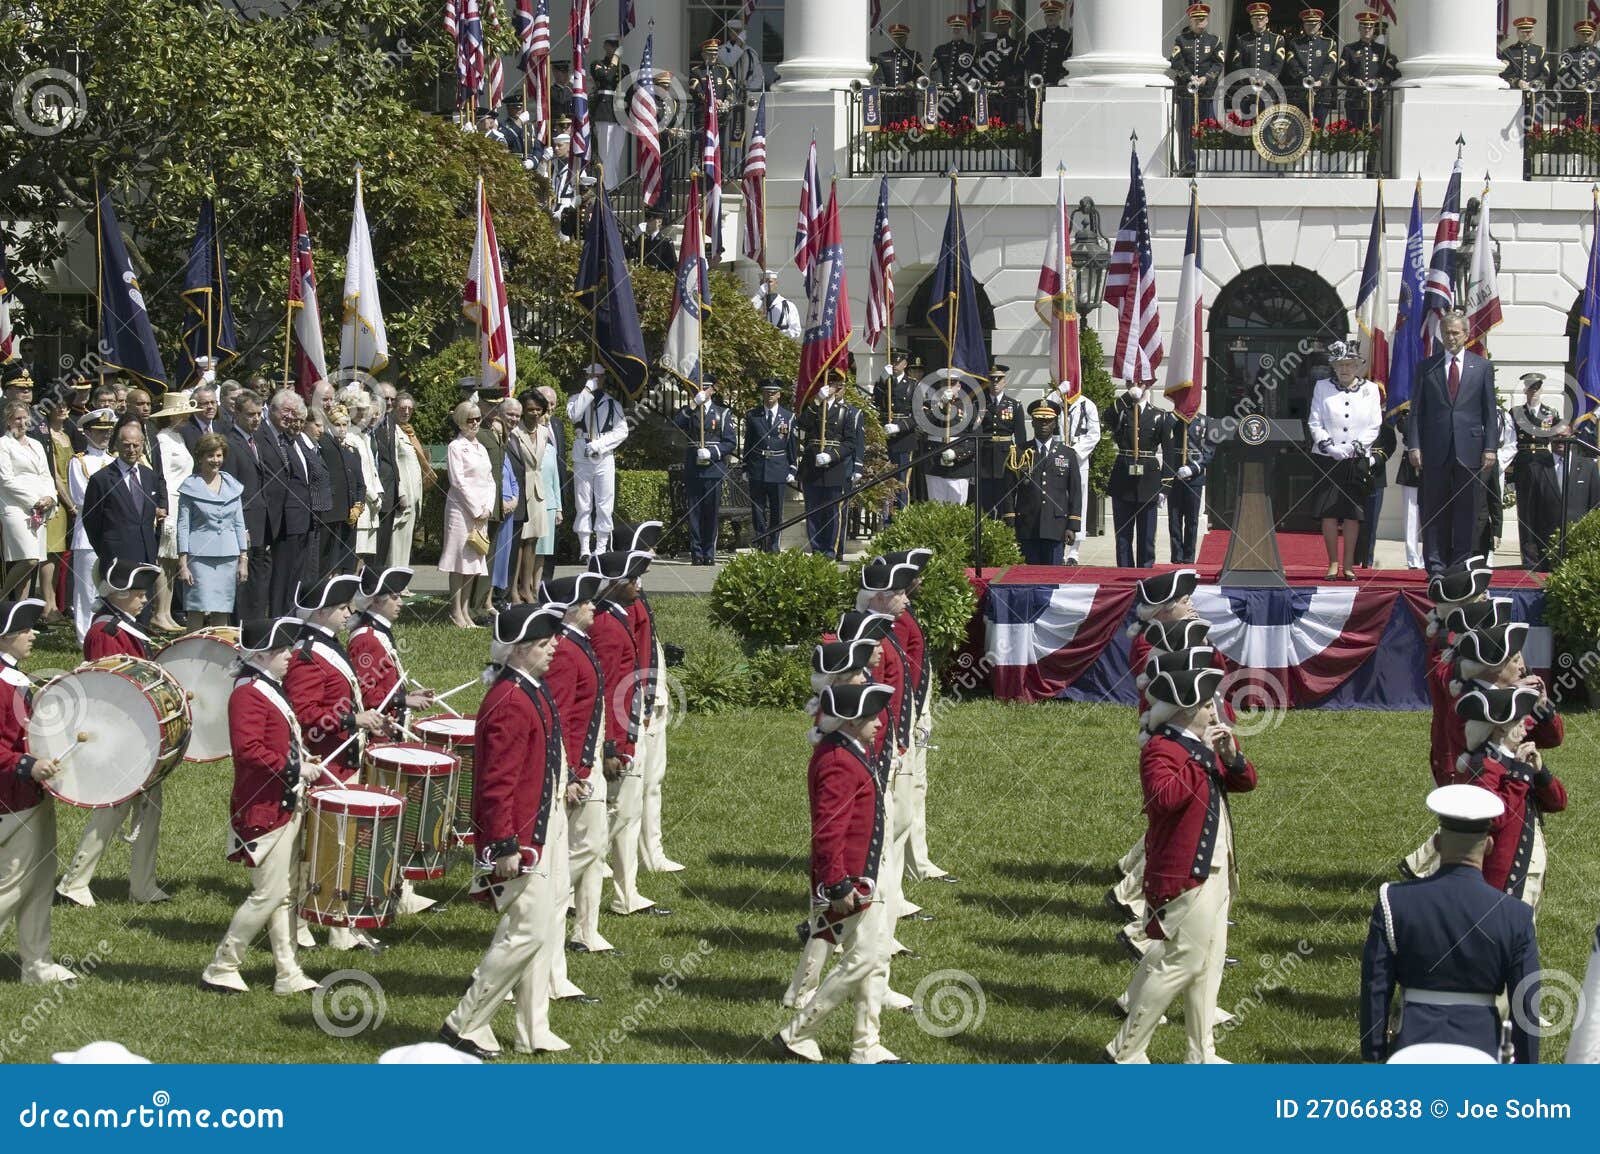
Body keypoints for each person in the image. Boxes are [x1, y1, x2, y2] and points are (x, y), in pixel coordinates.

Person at [437, 603, 567, 1061]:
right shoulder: (510, 701)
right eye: (545, 642)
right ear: (522, 649)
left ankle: (532, 1029)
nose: (555, 647)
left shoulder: (526, 688)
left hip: (537, 830)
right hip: (516, 840)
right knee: (526, 933)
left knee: (535, 929)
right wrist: (505, 843)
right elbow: (497, 782)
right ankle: (463, 1024)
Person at [1106, 665, 1255, 1064]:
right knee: (1182, 962)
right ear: (1183, 711)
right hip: (1186, 872)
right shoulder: (1161, 748)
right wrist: (1203, 754)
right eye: (1207, 705)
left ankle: (1200, 1054)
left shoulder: (1200, 745)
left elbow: (1246, 782)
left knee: (1208, 964)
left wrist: (1230, 756)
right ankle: (1126, 1051)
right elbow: (1165, 799)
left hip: (1219, 867)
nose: (1215, 712)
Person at [1360, 784, 1541, 1064]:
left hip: (1410, 1050)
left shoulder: (1393, 901)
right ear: (1489, 846)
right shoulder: (1515, 916)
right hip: (1482, 1052)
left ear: (1438, 843)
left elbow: (1376, 989)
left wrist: (1373, 1059)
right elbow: (1526, 1007)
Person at [772, 682, 899, 1064]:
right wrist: (838, 882)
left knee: (875, 959)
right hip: (851, 880)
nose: (879, 724)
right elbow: (828, 828)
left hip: (865, 875)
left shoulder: (850, 749)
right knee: (864, 959)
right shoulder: (838, 761)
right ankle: (799, 1032)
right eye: (870, 717)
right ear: (849, 722)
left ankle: (866, 1045)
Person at [200, 616, 323, 996]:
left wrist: (300, 755)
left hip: (282, 799)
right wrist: (295, 766)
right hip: (264, 806)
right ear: (264, 654)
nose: (290, 656)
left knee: (284, 891)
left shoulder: (267, 686)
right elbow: (249, 751)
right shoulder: (248, 693)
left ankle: (288, 972)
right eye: (282, 650)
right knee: (268, 893)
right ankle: (223, 964)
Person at [56, 559, 169, 908]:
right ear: (115, 594)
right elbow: (109, 688)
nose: (143, 597)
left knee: (149, 807)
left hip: (138, 731)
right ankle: (74, 881)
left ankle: (143, 884)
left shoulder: (124, 625)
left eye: (143, 590)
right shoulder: (106, 632)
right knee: (114, 807)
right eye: (135, 591)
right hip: (120, 734)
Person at [0, 598, 77, 987]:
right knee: (12, 886)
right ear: (6, 636)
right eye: (25, 630)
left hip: (32, 795)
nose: (33, 635)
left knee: (41, 880)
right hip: (10, 798)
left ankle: (37, 964)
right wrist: (28, 765)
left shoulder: (14, 675)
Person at [588, 548, 668, 918]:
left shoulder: (615, 617)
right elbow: (604, 690)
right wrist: (611, 744)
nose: (638, 583)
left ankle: (626, 892)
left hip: (627, 726)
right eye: (630, 578)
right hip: (617, 733)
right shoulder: (605, 625)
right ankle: (590, 892)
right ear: (612, 584)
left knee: (627, 815)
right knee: (612, 818)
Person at [543, 571, 612, 958]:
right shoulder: (565, 651)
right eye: (585, 602)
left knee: (594, 848)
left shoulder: (576, 643)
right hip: (580, 766)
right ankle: (544, 903)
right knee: (590, 844)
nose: (592, 607)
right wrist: (572, 772)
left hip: (592, 760)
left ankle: (586, 929)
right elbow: (561, 716)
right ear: (568, 611)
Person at [1451, 685, 1567, 910]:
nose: (1525, 730)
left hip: (1525, 874)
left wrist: (1540, 773)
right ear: (1499, 728)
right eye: (1520, 723)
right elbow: (1492, 818)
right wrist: (1521, 774)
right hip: (1498, 881)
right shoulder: (1483, 765)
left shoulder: (1517, 759)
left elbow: (1559, 802)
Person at [1408, 314, 1497, 573]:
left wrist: (1489, 447)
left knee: (1467, 512)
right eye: (1447, 333)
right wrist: (1415, 445)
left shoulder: (1481, 367)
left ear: (1466, 334)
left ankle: (1460, 565)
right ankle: (1435, 566)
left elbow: (1489, 412)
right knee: (1434, 511)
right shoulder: (1427, 367)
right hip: (1435, 451)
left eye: (1456, 333)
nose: (1451, 337)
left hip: (1470, 450)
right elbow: (1417, 412)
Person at [1308, 340, 1383, 580]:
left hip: (1355, 459)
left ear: (1358, 365)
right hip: (1328, 458)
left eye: (1349, 364)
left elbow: (1375, 424)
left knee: (1352, 513)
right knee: (1329, 512)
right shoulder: (1322, 387)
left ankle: (1349, 564)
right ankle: (1332, 562)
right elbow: (1314, 422)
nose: (1345, 369)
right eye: (1340, 364)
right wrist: (1330, 447)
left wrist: (1354, 447)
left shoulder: (1370, 389)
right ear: (1333, 366)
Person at [176, 432, 247, 627]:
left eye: (219, 455)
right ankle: (190, 653)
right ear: (200, 457)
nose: (215, 460)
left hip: (228, 557)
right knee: (196, 609)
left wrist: (243, 560)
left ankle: (218, 655)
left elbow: (239, 524)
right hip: (198, 558)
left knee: (222, 611)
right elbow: (183, 525)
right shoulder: (190, 487)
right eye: (210, 455)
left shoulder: (233, 486)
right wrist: (183, 563)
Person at [256, 390, 313, 617]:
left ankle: (290, 616)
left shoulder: (288, 439)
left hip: (298, 518)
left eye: (294, 412)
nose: (290, 417)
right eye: (285, 411)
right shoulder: (261, 436)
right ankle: (279, 618)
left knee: (293, 575)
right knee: (280, 576)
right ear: (271, 409)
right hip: (278, 518)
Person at [566, 365, 629, 561]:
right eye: (590, 375)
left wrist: (600, 444)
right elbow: (574, 415)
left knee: (604, 503)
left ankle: (601, 547)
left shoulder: (613, 404)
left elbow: (621, 431)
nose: (594, 379)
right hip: (582, 455)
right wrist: (587, 390)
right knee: (583, 503)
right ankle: (584, 548)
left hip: (603, 456)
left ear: (603, 378)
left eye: (597, 376)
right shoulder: (576, 399)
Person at [442, 401, 494, 630]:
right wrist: (475, 509)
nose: (474, 423)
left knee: (473, 561)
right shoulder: (455, 446)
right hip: (461, 510)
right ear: (461, 422)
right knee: (458, 561)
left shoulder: (481, 447)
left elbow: (491, 480)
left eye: (477, 419)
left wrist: (487, 509)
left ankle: (465, 611)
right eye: (469, 419)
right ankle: (456, 611)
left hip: (482, 512)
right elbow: (458, 481)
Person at [674, 377, 737, 565]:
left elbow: (730, 442)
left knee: (710, 511)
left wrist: (712, 452)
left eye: (706, 388)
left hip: (713, 469)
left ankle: (709, 552)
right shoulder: (691, 410)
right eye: (699, 388)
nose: (702, 391)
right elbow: (677, 422)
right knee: (694, 511)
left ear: (712, 390)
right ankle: (696, 552)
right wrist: (694, 403)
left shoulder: (722, 413)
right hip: (694, 467)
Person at [1011, 399, 1082, 566]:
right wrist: (1010, 522)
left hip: (1055, 526)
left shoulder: (1067, 454)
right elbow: (1009, 490)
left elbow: (1075, 492)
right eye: (1039, 420)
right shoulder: (1020, 452)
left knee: (1053, 578)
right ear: (1033, 423)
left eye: (1048, 421)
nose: (1043, 425)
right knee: (1028, 578)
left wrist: (1072, 525)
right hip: (1027, 525)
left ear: (1055, 423)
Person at [66, 408, 116, 640]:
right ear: (86, 433)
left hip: (113, 532)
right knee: (86, 589)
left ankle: (106, 634)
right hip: (87, 533)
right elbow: (83, 498)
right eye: (99, 431)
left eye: (108, 431)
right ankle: (84, 636)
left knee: (111, 587)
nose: (105, 436)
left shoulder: (115, 460)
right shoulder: (79, 462)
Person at [1510, 372, 1567, 570]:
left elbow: (1559, 439)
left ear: (1541, 389)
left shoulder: (1550, 413)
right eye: (1530, 388)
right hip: (1524, 464)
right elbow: (1509, 442)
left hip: (1544, 464)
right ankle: (1529, 559)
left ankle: (1545, 555)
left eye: (1536, 388)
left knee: (1546, 510)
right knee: (1525, 512)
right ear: (1525, 390)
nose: (1533, 391)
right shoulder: (1515, 412)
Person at [0, 400, 56, 602]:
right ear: (8, 421)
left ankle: (19, 618)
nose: (22, 422)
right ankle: (2, 598)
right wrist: (34, 501)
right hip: (15, 508)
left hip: (40, 510)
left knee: (31, 565)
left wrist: (50, 498)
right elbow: (5, 480)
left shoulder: (37, 444)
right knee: (29, 559)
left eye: (25, 418)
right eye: (17, 418)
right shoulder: (3, 445)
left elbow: (46, 475)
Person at [1106, 382, 1165, 569]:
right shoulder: (1122, 412)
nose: (1136, 385)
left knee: (1147, 533)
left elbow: (1169, 454)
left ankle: (1145, 570)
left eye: (1140, 382)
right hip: (1123, 476)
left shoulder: (1159, 415)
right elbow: (1106, 416)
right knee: (1123, 534)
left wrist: (1167, 487)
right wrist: (1126, 397)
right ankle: (1124, 570)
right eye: (1132, 382)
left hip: (1148, 478)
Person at [224, 390, 270, 621]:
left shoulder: (256, 441)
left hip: (261, 522)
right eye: (251, 414)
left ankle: (257, 624)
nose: (257, 418)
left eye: (260, 414)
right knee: (242, 581)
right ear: (237, 413)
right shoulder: (231, 444)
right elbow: (230, 490)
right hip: (243, 523)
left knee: (258, 579)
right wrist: (239, 527)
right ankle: (240, 627)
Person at [795, 382, 857, 555]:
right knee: (812, 510)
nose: (831, 389)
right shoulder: (814, 407)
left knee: (832, 512)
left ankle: (830, 550)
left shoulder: (845, 411)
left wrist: (832, 455)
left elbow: (850, 442)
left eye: (835, 385)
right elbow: (802, 424)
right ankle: (816, 549)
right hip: (812, 465)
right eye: (829, 385)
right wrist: (816, 401)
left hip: (833, 467)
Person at [744, 379, 795, 553]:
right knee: (757, 508)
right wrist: (745, 466)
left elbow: (791, 444)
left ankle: (773, 544)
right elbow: (748, 443)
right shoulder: (753, 415)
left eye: (773, 392)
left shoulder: (788, 417)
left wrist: (792, 467)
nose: (770, 395)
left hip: (778, 467)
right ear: (762, 394)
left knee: (776, 509)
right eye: (767, 392)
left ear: (779, 394)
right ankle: (761, 541)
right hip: (758, 467)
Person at [1169, 4, 1222, 171]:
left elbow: (1218, 63)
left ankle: (1208, 164)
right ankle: (1189, 163)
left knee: (1208, 126)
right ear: (1190, 20)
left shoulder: (1214, 40)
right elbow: (1175, 62)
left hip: (1206, 93)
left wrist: (1206, 78)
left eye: (1203, 19)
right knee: (1188, 129)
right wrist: (1188, 76)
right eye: (1197, 19)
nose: (1200, 22)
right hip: (1187, 93)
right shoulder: (1181, 39)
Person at [39, 389, 74, 625]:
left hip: (69, 498)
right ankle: (47, 605)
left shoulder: (66, 436)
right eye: (57, 404)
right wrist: (70, 504)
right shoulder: (47, 436)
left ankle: (55, 605)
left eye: (65, 404)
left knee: (60, 553)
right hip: (57, 500)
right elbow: (55, 475)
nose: (62, 408)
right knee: (49, 554)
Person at [340, 389, 383, 569]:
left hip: (373, 504)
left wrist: (379, 492)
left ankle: (359, 592)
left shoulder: (363, 435)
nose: (365, 413)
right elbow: (358, 473)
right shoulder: (349, 437)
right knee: (356, 551)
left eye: (365, 409)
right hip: (362, 502)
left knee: (365, 553)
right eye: (360, 409)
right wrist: (372, 496)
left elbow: (372, 468)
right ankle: (350, 593)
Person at [389, 391, 432, 572]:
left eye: (410, 409)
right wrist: (401, 492)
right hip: (403, 495)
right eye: (402, 408)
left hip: (414, 497)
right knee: (396, 543)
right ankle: (392, 584)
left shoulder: (409, 431)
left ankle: (401, 583)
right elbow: (394, 465)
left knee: (406, 542)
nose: (406, 412)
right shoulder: (392, 430)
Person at [1160, 411, 1210, 565]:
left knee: (1192, 520)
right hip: (1174, 474)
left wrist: (1194, 468)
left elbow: (1209, 452)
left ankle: (1189, 557)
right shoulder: (1171, 419)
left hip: (1194, 478)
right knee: (1174, 519)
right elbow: (1164, 436)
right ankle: (1177, 557)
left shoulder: (1204, 422)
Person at [973, 365, 1021, 522]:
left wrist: (1020, 461)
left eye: (998, 379)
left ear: (1004, 382)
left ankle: (1006, 534)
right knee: (985, 499)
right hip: (985, 456)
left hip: (1005, 457)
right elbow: (974, 431)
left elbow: (1020, 436)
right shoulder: (979, 404)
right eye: (992, 379)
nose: (995, 383)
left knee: (1006, 499)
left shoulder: (1014, 405)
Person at [874, 354, 916, 520]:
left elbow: (918, 416)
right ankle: (886, 518)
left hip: (904, 438)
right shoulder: (886, 382)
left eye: (898, 362)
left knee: (901, 480)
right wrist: (881, 379)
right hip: (885, 435)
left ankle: (901, 518)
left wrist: (899, 426)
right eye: (893, 361)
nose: (894, 364)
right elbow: (876, 401)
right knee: (886, 479)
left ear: (905, 364)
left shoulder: (913, 385)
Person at [1338, 11, 1399, 124]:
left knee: (1372, 132)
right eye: (1364, 27)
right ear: (1359, 29)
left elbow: (1390, 73)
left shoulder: (1382, 50)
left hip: (1375, 99)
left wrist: (1378, 81)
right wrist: (1353, 80)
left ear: (1373, 30)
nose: (1367, 30)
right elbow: (1342, 72)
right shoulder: (1349, 49)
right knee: (1354, 131)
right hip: (1354, 98)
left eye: (1370, 27)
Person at [490, 396, 524, 599]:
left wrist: (515, 499)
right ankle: (490, 597)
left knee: (506, 555)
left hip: (512, 506)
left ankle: (499, 596)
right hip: (497, 506)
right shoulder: (493, 442)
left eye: (517, 416)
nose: (514, 419)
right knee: (494, 556)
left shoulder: (513, 437)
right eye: (510, 414)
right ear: (499, 415)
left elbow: (513, 478)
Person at [1227, 3, 1284, 122]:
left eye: (1261, 18)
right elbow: (1237, 63)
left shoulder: (1276, 39)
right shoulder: (1242, 40)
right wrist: (1249, 78)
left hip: (1268, 91)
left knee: (1267, 127)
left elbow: (1278, 64)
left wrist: (1266, 78)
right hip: (1247, 91)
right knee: (1247, 126)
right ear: (1251, 20)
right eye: (1255, 18)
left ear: (1266, 19)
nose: (1259, 20)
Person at [1284, 7, 1339, 124]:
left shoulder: (1329, 43)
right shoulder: (1295, 43)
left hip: (1321, 95)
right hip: (1299, 94)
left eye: (1314, 24)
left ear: (1319, 25)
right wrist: (1303, 78)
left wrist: (1321, 81)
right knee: (1299, 129)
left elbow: (1330, 65)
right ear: (1304, 25)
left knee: (1318, 128)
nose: (1311, 27)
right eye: (1308, 24)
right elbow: (1292, 64)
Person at [590, 35, 630, 188]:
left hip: (619, 112)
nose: (613, 50)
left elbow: (629, 89)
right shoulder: (597, 64)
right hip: (605, 110)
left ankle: (613, 184)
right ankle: (607, 187)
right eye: (611, 46)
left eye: (616, 47)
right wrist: (614, 62)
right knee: (605, 151)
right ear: (605, 46)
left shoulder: (624, 68)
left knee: (617, 151)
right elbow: (605, 78)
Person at [1559, 19, 1600, 125]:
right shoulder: (1568, 53)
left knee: (1595, 132)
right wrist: (1577, 85)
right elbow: (1562, 73)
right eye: (1583, 34)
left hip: (1595, 101)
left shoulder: (1598, 53)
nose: (1586, 37)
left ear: (1593, 35)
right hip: (1574, 100)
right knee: (1572, 132)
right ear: (1577, 35)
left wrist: (1594, 83)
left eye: (1589, 34)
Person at [1023, 2, 1072, 88]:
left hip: (1056, 83)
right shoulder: (1034, 36)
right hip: (1037, 83)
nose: (1050, 17)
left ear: (1059, 17)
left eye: (1053, 14)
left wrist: (1058, 79)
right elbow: (1028, 58)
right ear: (1045, 18)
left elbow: (1067, 59)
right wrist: (1034, 75)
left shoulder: (1066, 37)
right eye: (1048, 15)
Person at [1502, 17, 1550, 92]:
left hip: (1535, 94)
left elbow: (1545, 74)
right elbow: (1504, 73)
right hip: (1514, 93)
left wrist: (1533, 83)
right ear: (1517, 32)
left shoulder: (1539, 51)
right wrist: (1517, 82)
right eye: (1523, 32)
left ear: (1532, 33)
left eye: (1529, 32)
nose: (1526, 34)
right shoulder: (1508, 51)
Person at [751, 270, 802, 341]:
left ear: (776, 284)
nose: (766, 285)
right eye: (763, 283)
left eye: (769, 282)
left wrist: (776, 335)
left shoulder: (787, 305)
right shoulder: (756, 304)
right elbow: (747, 313)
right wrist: (758, 295)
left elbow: (796, 331)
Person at [934, 13, 977, 89]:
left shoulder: (972, 49)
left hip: (964, 92)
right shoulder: (940, 49)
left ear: (964, 29)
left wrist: (963, 85)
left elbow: (975, 72)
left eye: (959, 27)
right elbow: (936, 69)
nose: (956, 30)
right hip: (944, 91)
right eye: (954, 27)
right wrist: (939, 84)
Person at [635, 206, 678, 273]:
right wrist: (636, 236)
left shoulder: (665, 241)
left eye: (650, 219)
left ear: (659, 222)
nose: (647, 223)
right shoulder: (645, 241)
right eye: (646, 220)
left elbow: (672, 264)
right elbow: (635, 257)